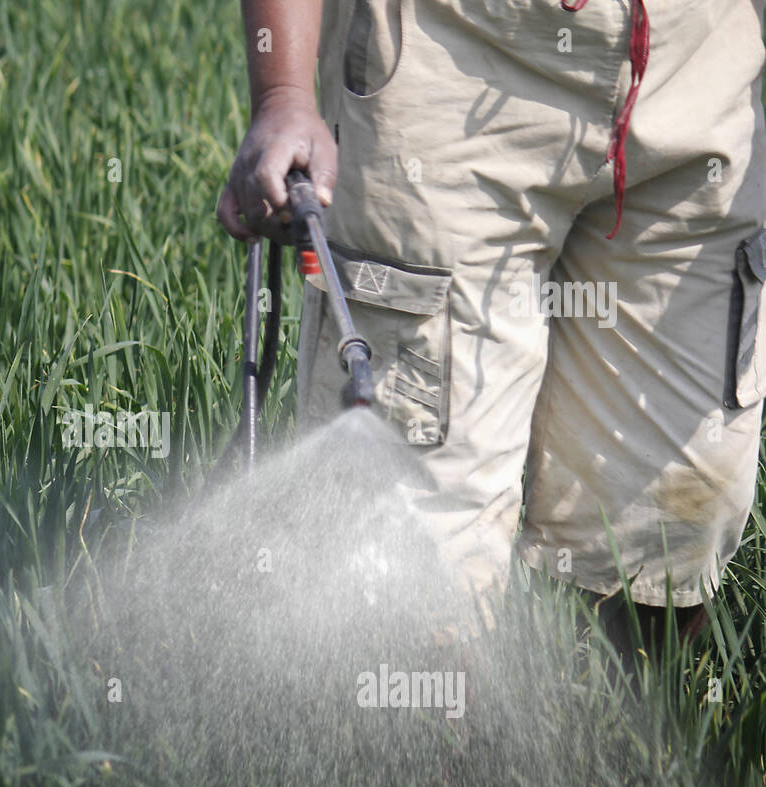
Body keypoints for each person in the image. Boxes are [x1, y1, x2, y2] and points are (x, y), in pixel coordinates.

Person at [218, 0, 766, 647]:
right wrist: (282, 91)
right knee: (405, 559)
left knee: (665, 531)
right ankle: (407, 739)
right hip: (448, 58)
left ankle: (609, 734)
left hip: (707, 64)